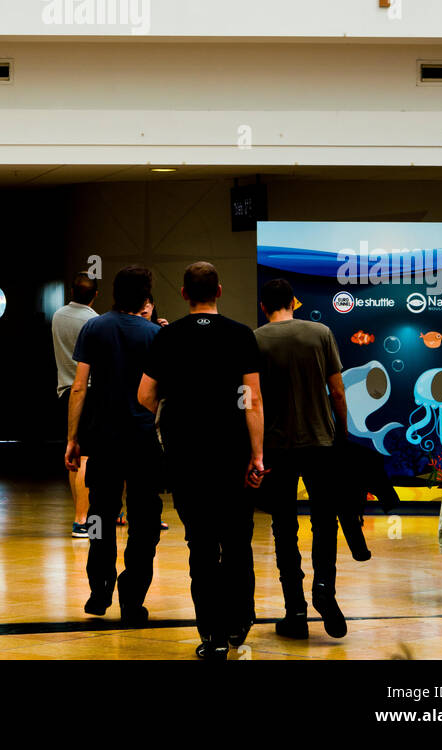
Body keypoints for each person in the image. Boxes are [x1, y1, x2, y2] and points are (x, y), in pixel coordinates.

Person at [139, 261, 264, 662]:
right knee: (238, 540)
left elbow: (144, 396)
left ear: (182, 294)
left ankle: (210, 636)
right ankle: (239, 621)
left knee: (202, 547)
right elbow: (253, 400)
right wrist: (258, 455)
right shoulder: (241, 335)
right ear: (220, 291)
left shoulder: (168, 337)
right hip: (232, 455)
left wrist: (173, 404)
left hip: (186, 456)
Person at [65, 265, 162, 626]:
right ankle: (133, 598)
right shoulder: (154, 335)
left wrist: (74, 438)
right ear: (145, 297)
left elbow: (78, 387)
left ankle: (99, 590)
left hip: (102, 438)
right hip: (141, 439)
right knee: (144, 522)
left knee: (99, 517)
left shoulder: (94, 328)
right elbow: (161, 393)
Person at [254, 278, 348, 641]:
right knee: (325, 521)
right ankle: (325, 587)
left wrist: (254, 449)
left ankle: (295, 610)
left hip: (277, 447)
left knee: (284, 529)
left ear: (264, 306)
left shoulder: (256, 339)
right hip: (321, 442)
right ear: (295, 302)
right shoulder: (321, 333)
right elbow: (337, 391)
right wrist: (342, 432)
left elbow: (252, 398)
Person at [51, 271, 99, 536]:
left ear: (71, 292)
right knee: (87, 457)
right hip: (88, 392)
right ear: (95, 295)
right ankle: (82, 519)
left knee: (73, 454)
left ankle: (79, 514)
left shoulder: (58, 316)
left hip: (64, 392)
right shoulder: (95, 321)